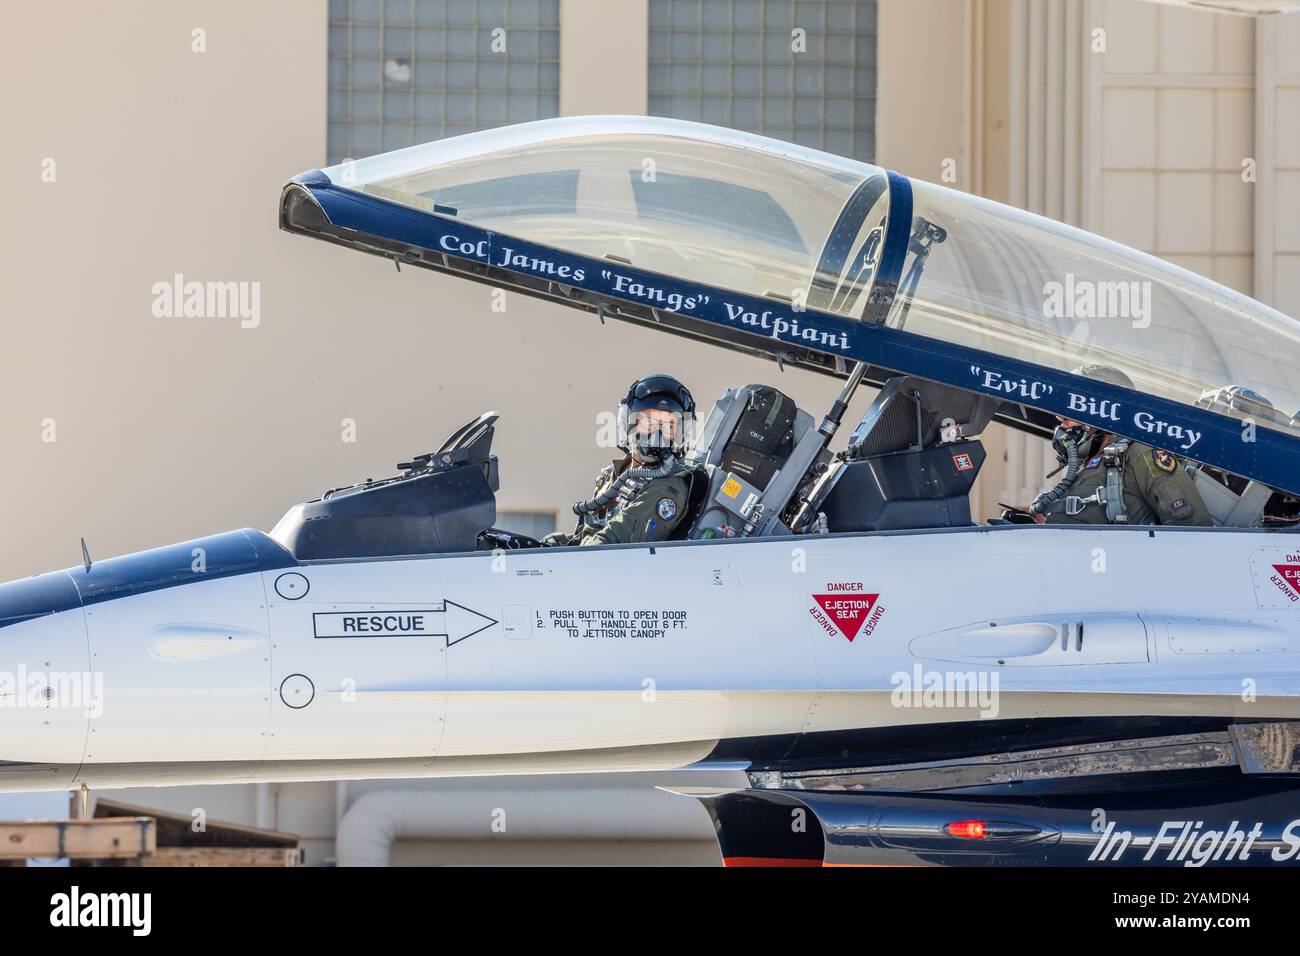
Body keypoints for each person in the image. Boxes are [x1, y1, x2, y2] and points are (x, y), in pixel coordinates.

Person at [1022, 364, 1212, 526]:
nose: (1062, 422)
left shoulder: (1141, 454)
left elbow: (1192, 530)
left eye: (1073, 408)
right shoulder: (1088, 466)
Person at [544, 374, 699, 546]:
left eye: (669, 425)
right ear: (628, 423)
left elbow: (605, 548)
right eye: (649, 423)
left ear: (680, 433)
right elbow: (586, 536)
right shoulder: (617, 473)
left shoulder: (667, 488)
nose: (658, 433)